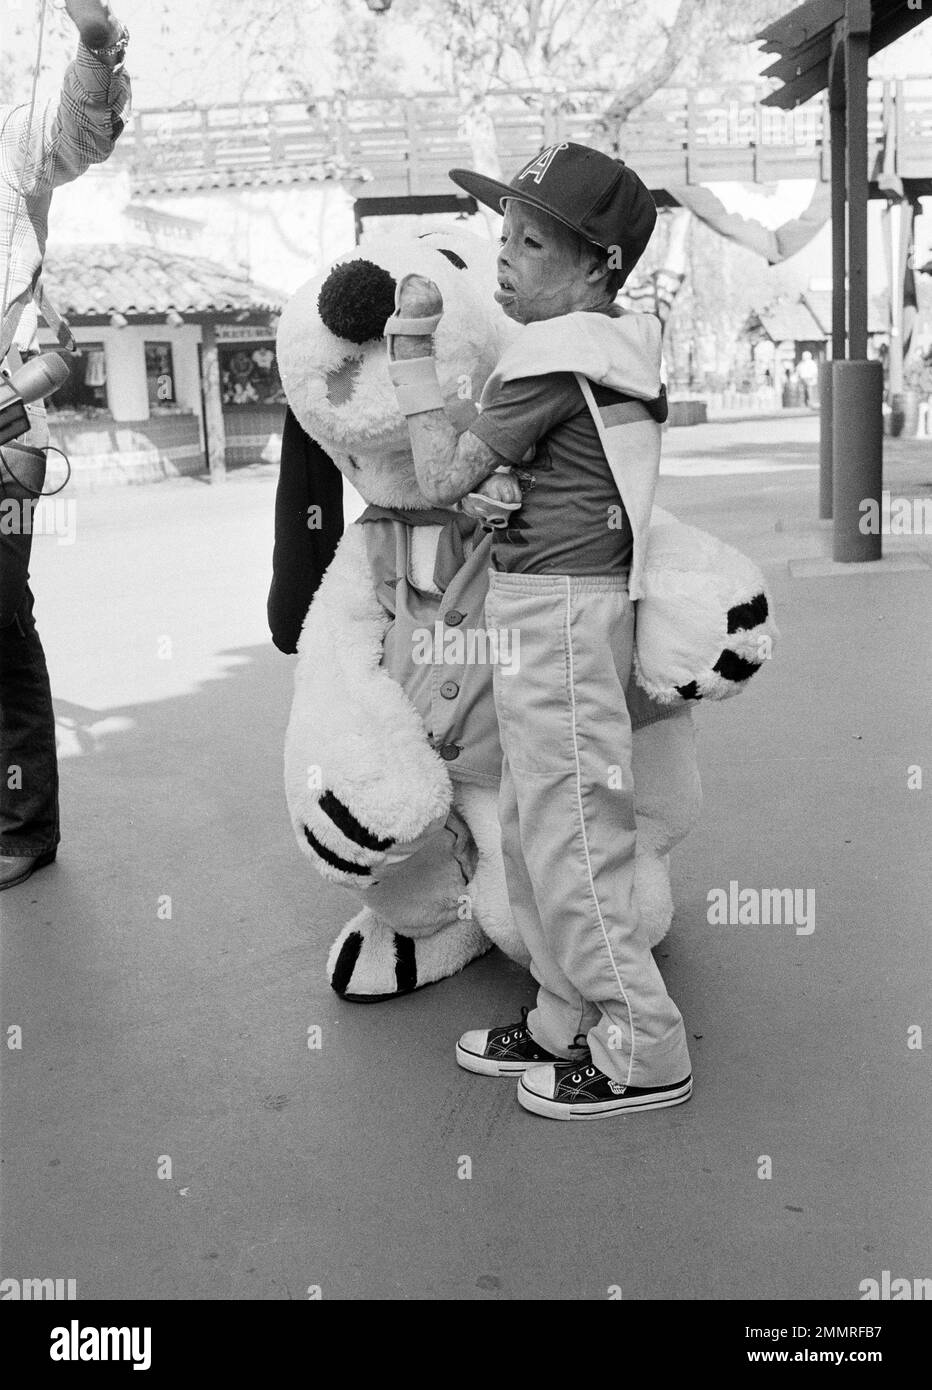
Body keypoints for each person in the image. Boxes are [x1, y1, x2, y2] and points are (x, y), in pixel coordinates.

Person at [385, 141, 692, 1119]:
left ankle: (643, 1045)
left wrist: (409, 360)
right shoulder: (592, 353)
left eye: (531, 241)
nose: (504, 258)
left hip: (555, 621)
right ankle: (564, 1015)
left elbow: (437, 478)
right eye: (503, 236)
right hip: (552, 611)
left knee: (569, 844)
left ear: (598, 264)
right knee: (531, 828)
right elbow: (557, 482)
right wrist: (509, 497)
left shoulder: (557, 354)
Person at [0, 1, 131, 890]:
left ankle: (23, 825)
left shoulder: (11, 144)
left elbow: (78, 130)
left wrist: (92, 37)